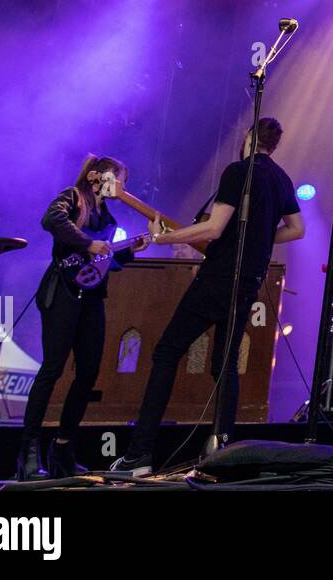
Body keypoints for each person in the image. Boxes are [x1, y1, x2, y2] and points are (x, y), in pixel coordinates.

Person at [111, 117, 304, 474]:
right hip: (248, 280)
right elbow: (297, 229)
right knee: (225, 365)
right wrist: (259, 241)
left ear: (248, 138)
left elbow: (214, 228)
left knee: (167, 351)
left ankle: (140, 454)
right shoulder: (281, 178)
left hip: (218, 276)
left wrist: (163, 239)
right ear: (273, 145)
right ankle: (223, 452)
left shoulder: (237, 171)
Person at [19, 155, 153, 480]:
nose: (121, 188)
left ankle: (63, 448)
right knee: (53, 368)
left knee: (89, 370)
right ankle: (28, 451)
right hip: (62, 292)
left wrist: (133, 249)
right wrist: (88, 243)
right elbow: (52, 220)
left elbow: (107, 258)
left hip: (91, 297)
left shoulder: (106, 214)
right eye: (118, 180)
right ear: (98, 176)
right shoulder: (73, 196)